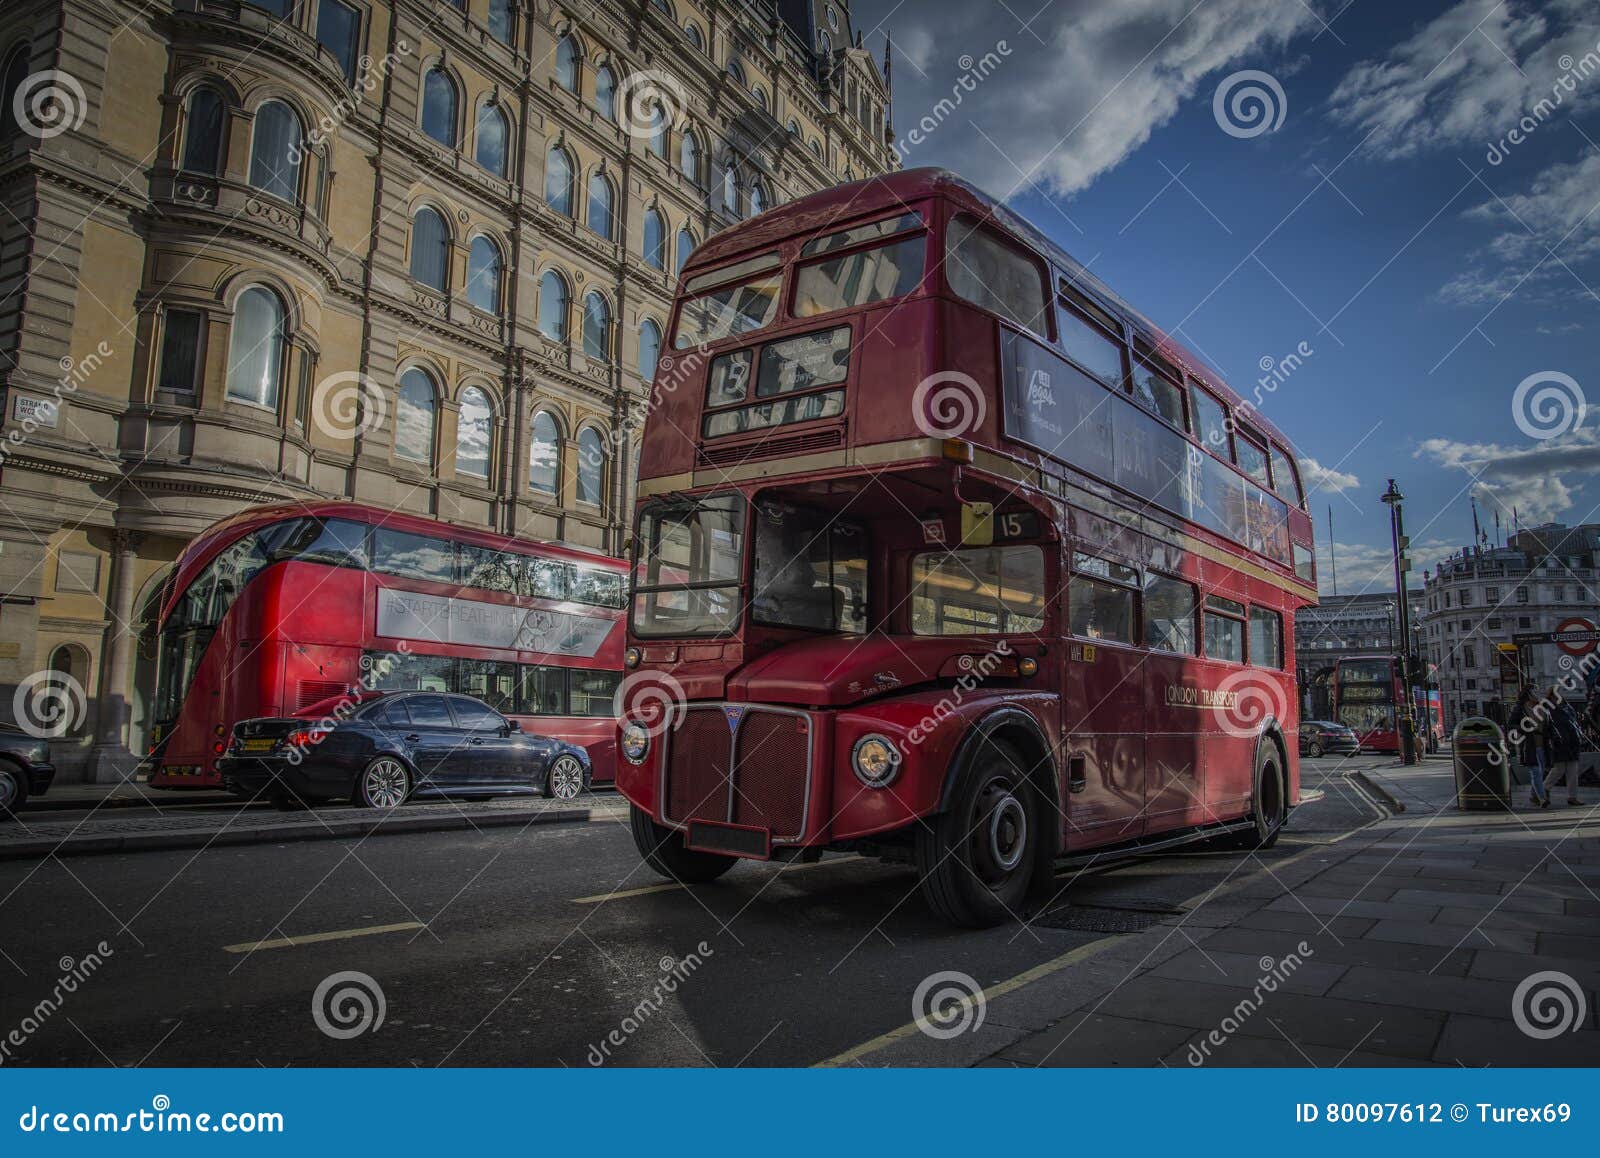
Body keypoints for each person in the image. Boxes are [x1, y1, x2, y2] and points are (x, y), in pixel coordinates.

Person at [1508, 686, 1549, 808]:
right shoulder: (1520, 709)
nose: (1538, 693)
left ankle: (1533, 796)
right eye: (1534, 691)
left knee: (1540, 773)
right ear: (1529, 694)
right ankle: (1542, 799)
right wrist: (1526, 729)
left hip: (1542, 744)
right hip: (1529, 744)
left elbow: (1547, 724)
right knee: (1536, 771)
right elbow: (1511, 724)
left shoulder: (1542, 708)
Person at [1543, 690, 1585, 806]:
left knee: (1572, 771)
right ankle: (1545, 788)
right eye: (1554, 696)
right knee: (1559, 769)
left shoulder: (1566, 708)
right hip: (1559, 743)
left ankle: (1572, 797)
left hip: (1571, 743)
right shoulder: (1548, 711)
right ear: (1550, 698)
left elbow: (1574, 722)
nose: (1557, 698)